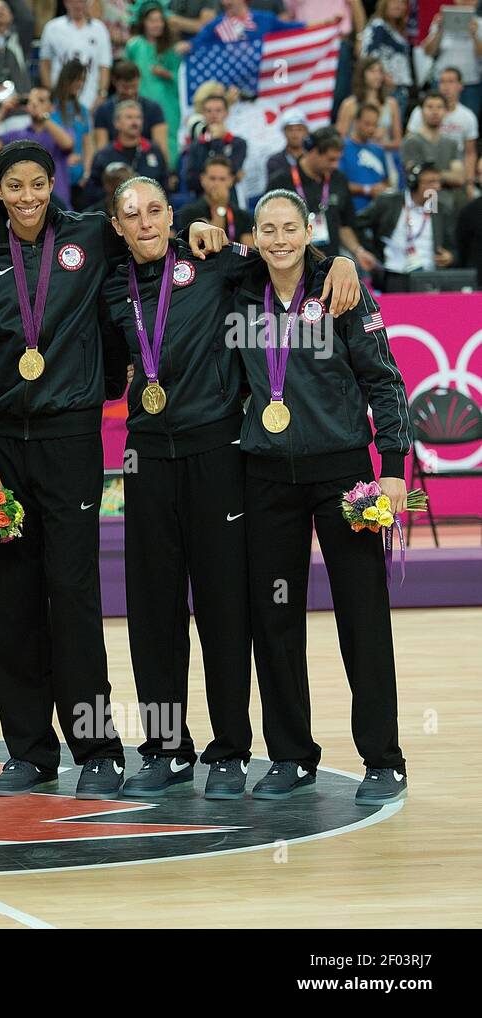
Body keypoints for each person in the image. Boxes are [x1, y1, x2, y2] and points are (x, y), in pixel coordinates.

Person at [0, 139, 227, 799]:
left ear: (54, 185)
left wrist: (198, 222)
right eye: (13, 185)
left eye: (37, 184)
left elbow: (154, 240)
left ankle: (97, 748)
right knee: (14, 598)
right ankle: (29, 751)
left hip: (71, 439)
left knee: (74, 597)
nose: (26, 196)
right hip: (3, 451)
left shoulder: (89, 237)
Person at [103, 173, 359, 798]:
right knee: (153, 612)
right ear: (116, 227)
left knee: (223, 607)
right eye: (131, 215)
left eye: (155, 210)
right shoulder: (108, 288)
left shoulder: (216, 264)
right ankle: (167, 748)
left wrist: (341, 259)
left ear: (172, 215)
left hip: (217, 454)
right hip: (147, 461)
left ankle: (229, 750)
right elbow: (111, 377)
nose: (145, 222)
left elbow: (285, 250)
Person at [231, 187, 411, 806]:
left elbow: (384, 379)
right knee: (274, 619)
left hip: (344, 476)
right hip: (266, 477)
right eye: (267, 230)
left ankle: (383, 759)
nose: (278, 240)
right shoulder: (239, 286)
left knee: (362, 616)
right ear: (253, 236)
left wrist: (390, 466)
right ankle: (290, 756)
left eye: (289, 228)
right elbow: (191, 248)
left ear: (309, 230)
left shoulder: (340, 287)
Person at [267, 127, 374, 269]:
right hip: (293, 267)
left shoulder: (338, 179)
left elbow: (344, 225)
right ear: (313, 152)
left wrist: (358, 251)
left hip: (329, 265)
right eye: (330, 159)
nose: (335, 165)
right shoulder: (281, 182)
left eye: (337, 159)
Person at [357, 162, 454, 290]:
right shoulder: (389, 202)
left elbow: (453, 246)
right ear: (414, 183)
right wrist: (366, 249)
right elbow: (356, 223)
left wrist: (450, 256)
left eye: (438, 181)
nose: (437, 187)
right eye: (431, 182)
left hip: (429, 276)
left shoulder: (441, 210)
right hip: (394, 274)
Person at [0, 85, 74, 212]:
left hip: (59, 204)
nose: (35, 105)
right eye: (31, 101)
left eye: (41, 101)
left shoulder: (61, 131)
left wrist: (43, 116)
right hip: (27, 203)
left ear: (52, 107)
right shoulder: (17, 134)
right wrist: (2, 113)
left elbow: (67, 144)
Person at [126, 0, 183, 165]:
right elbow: (126, 72)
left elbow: (180, 78)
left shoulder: (171, 48)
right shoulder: (134, 45)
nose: (156, 24)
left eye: (159, 20)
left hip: (168, 104)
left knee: (167, 139)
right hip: (140, 103)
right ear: (143, 22)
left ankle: (168, 172)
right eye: (152, 20)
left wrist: (166, 73)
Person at [84, 99, 167, 208]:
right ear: (117, 123)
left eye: (138, 118)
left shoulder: (154, 151)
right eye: (129, 117)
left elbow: (164, 187)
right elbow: (92, 191)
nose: (135, 122)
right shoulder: (104, 155)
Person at [38, 0, 111, 113]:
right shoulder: (53, 27)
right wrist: (50, 92)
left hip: (90, 95)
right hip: (59, 94)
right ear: (66, 2)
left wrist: (101, 94)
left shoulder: (99, 29)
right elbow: (45, 63)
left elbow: (104, 65)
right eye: (74, 1)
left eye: (82, 2)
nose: (78, 5)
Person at [408, 67, 478, 179]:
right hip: (424, 170)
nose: (446, 86)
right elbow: (409, 144)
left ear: (460, 85)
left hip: (454, 169)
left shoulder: (468, 116)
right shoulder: (420, 112)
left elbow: (470, 153)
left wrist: (469, 181)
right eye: (442, 81)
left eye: (451, 81)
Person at [401, 92, 467, 210]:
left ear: (446, 111)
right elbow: (414, 175)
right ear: (421, 111)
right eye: (430, 107)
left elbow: (459, 178)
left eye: (439, 107)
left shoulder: (451, 143)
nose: (435, 111)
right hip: (420, 206)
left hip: (447, 206)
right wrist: (446, 175)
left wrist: (431, 174)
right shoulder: (411, 142)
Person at [91, 60, 168, 159]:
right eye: (125, 87)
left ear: (139, 81)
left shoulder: (153, 109)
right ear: (114, 82)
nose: (130, 92)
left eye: (133, 87)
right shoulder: (104, 110)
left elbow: (161, 146)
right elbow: (101, 148)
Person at [175, 155, 253, 243]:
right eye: (212, 178)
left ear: (231, 181)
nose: (217, 184)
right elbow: (210, 244)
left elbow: (248, 252)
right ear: (203, 179)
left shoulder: (243, 216)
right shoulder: (189, 213)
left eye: (222, 179)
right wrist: (220, 206)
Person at [182, 91, 244, 199]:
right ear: (203, 114)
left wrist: (216, 141)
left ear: (226, 113)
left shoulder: (238, 143)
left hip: (229, 201)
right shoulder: (196, 145)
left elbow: (229, 173)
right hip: (202, 202)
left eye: (218, 110)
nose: (213, 115)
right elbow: (190, 181)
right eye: (209, 111)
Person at [359, 0, 415, 119]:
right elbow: (369, 55)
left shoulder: (398, 28)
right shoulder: (378, 25)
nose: (398, 5)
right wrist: (383, 76)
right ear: (384, 3)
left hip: (399, 88)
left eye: (402, 3)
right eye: (394, 2)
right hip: (384, 89)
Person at [421, 10, 482, 117]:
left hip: (471, 82)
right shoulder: (441, 19)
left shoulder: (479, 23)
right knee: (438, 117)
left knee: (470, 119)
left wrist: (474, 35)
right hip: (442, 81)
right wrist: (439, 30)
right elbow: (427, 51)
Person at [50, 57, 93, 207]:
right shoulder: (50, 108)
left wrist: (86, 173)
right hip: (57, 178)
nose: (79, 84)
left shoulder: (82, 110)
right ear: (66, 79)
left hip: (79, 181)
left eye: (82, 80)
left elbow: (88, 144)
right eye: (76, 79)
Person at [336, 55, 401, 154]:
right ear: (362, 74)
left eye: (380, 71)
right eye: (372, 71)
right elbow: (340, 139)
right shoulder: (349, 104)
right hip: (356, 155)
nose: (377, 76)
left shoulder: (391, 104)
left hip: (384, 157)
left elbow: (398, 142)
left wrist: (380, 144)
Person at [340, 103, 397, 213]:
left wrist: (383, 189)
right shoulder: (342, 148)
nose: (371, 129)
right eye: (367, 124)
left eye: (375, 125)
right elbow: (338, 183)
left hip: (378, 214)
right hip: (352, 211)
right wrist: (367, 189)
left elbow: (386, 181)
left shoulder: (379, 150)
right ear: (356, 121)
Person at [265, 109, 313, 181]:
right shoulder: (274, 161)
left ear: (306, 132)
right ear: (284, 132)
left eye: (299, 129)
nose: (295, 134)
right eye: (290, 129)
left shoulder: (313, 159)